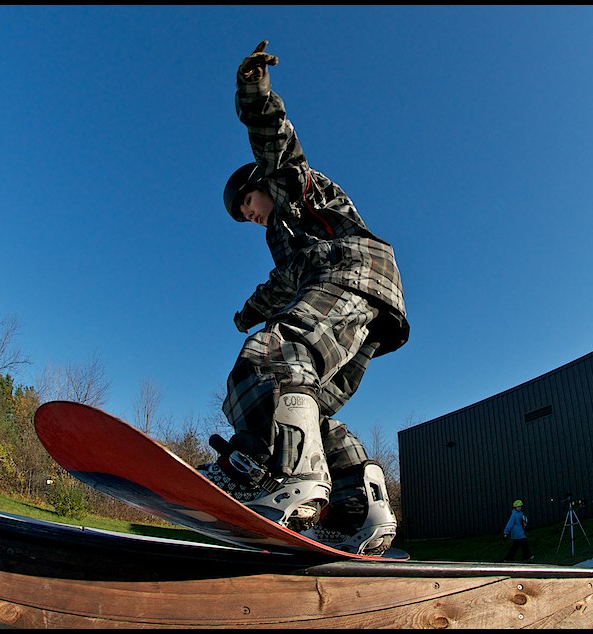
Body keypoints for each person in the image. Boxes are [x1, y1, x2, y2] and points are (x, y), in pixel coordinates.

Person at [198, 41, 409, 556]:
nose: (251, 217)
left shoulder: (296, 189)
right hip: (366, 308)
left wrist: (253, 90)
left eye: (248, 204)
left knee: (272, 355)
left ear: (260, 185)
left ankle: (280, 475)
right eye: (245, 217)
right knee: (304, 406)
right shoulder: (283, 241)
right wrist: (247, 310)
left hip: (351, 271)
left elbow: (275, 142)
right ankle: (358, 506)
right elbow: (282, 284)